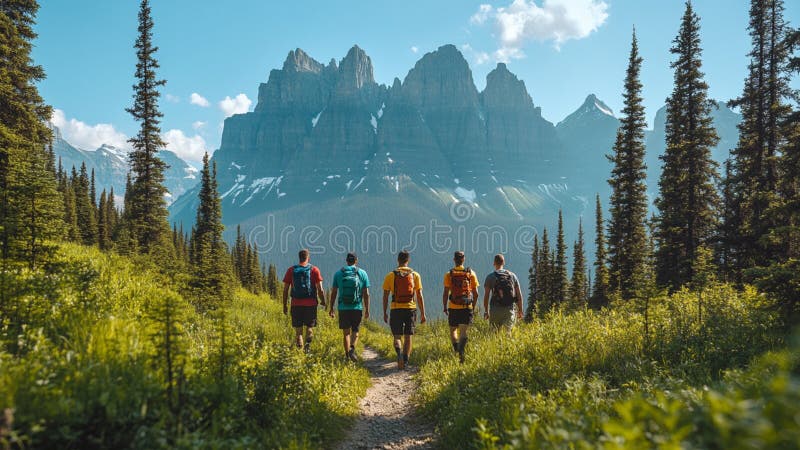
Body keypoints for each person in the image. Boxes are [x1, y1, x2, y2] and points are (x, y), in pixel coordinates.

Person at [382, 250, 426, 370]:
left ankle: (399, 353)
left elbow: (385, 296)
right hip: (410, 309)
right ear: (408, 260)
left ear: (398, 260)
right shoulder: (415, 275)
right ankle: (405, 361)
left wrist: (385, 312)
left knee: (397, 336)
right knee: (408, 336)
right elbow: (420, 296)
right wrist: (423, 313)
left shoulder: (390, 276)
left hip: (396, 309)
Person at [329, 252, 370, 362]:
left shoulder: (338, 274)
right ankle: (352, 349)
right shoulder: (362, 273)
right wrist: (367, 309)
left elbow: (333, 292)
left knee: (346, 333)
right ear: (356, 261)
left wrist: (331, 307)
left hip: (343, 308)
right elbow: (366, 294)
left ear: (346, 261)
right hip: (357, 307)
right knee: (355, 331)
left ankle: (347, 357)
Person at [282, 249, 326, 351]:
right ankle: (307, 347)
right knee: (309, 328)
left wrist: (284, 305)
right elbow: (321, 290)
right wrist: (323, 301)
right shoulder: (314, 270)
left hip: (296, 304)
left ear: (299, 258)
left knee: (298, 332)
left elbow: (285, 290)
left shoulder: (291, 270)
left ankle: (299, 353)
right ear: (308, 258)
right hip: (311, 304)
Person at [443, 251, 479, 364]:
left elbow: (445, 293)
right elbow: (476, 293)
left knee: (453, 330)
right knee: (464, 331)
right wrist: (472, 307)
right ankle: (461, 351)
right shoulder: (471, 273)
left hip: (453, 307)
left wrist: (444, 306)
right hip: (466, 306)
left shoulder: (449, 274)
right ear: (463, 260)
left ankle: (456, 350)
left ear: (454, 260)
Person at [483, 254, 524, 330]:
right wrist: (520, 310)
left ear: (494, 263)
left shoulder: (490, 277)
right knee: (507, 335)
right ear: (503, 262)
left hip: (495, 309)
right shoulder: (512, 276)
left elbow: (486, 296)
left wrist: (486, 311)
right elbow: (519, 295)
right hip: (509, 309)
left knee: (494, 334)